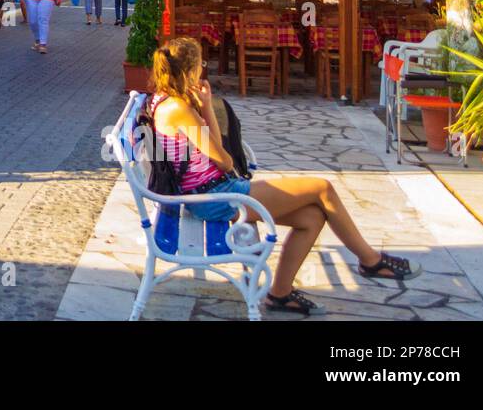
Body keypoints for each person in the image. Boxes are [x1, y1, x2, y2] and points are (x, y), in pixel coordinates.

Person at [148, 36, 420, 315]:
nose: (202, 70)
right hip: (215, 198)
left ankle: (280, 293)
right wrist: (204, 110)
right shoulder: (180, 110)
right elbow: (225, 160)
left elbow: (217, 153)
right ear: (190, 69)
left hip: (213, 191)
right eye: (200, 64)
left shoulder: (166, 101)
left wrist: (205, 105)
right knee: (322, 188)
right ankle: (370, 260)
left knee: (312, 216)